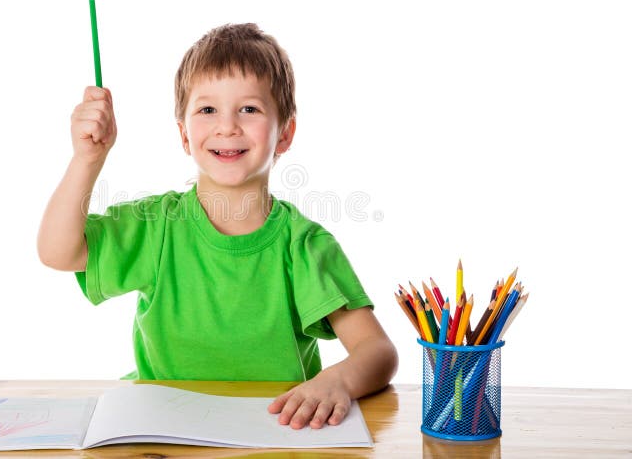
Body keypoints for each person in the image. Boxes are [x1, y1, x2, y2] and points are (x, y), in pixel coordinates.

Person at [37, 23, 398, 430]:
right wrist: (88, 159)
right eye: (208, 110)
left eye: (249, 109)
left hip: (275, 434)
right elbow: (58, 252)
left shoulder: (304, 244)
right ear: (185, 135)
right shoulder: (157, 227)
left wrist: (337, 380)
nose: (227, 126)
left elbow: (377, 351)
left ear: (285, 133)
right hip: (164, 435)